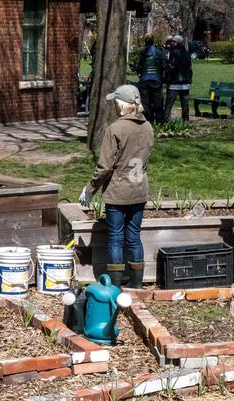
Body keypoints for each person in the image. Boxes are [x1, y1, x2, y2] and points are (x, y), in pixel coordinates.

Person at [82, 84, 155, 289]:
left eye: (116, 101)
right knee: (134, 236)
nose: (114, 105)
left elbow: (104, 167)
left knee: (115, 238)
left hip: (118, 191)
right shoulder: (148, 127)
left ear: (123, 104)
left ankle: (115, 285)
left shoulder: (115, 129)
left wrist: (89, 189)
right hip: (139, 189)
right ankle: (137, 284)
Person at [133, 35, 166, 124]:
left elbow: (137, 66)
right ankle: (159, 122)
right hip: (157, 80)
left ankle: (147, 121)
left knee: (145, 102)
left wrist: (140, 70)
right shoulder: (159, 52)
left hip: (145, 80)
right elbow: (164, 65)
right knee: (158, 102)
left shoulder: (142, 52)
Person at [163, 34, 193, 123]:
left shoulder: (174, 53)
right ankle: (186, 122)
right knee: (185, 105)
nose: (171, 43)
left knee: (169, 105)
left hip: (174, 83)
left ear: (177, 43)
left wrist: (166, 79)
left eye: (173, 41)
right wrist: (189, 79)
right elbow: (190, 69)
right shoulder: (187, 53)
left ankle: (166, 121)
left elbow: (171, 68)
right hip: (185, 84)